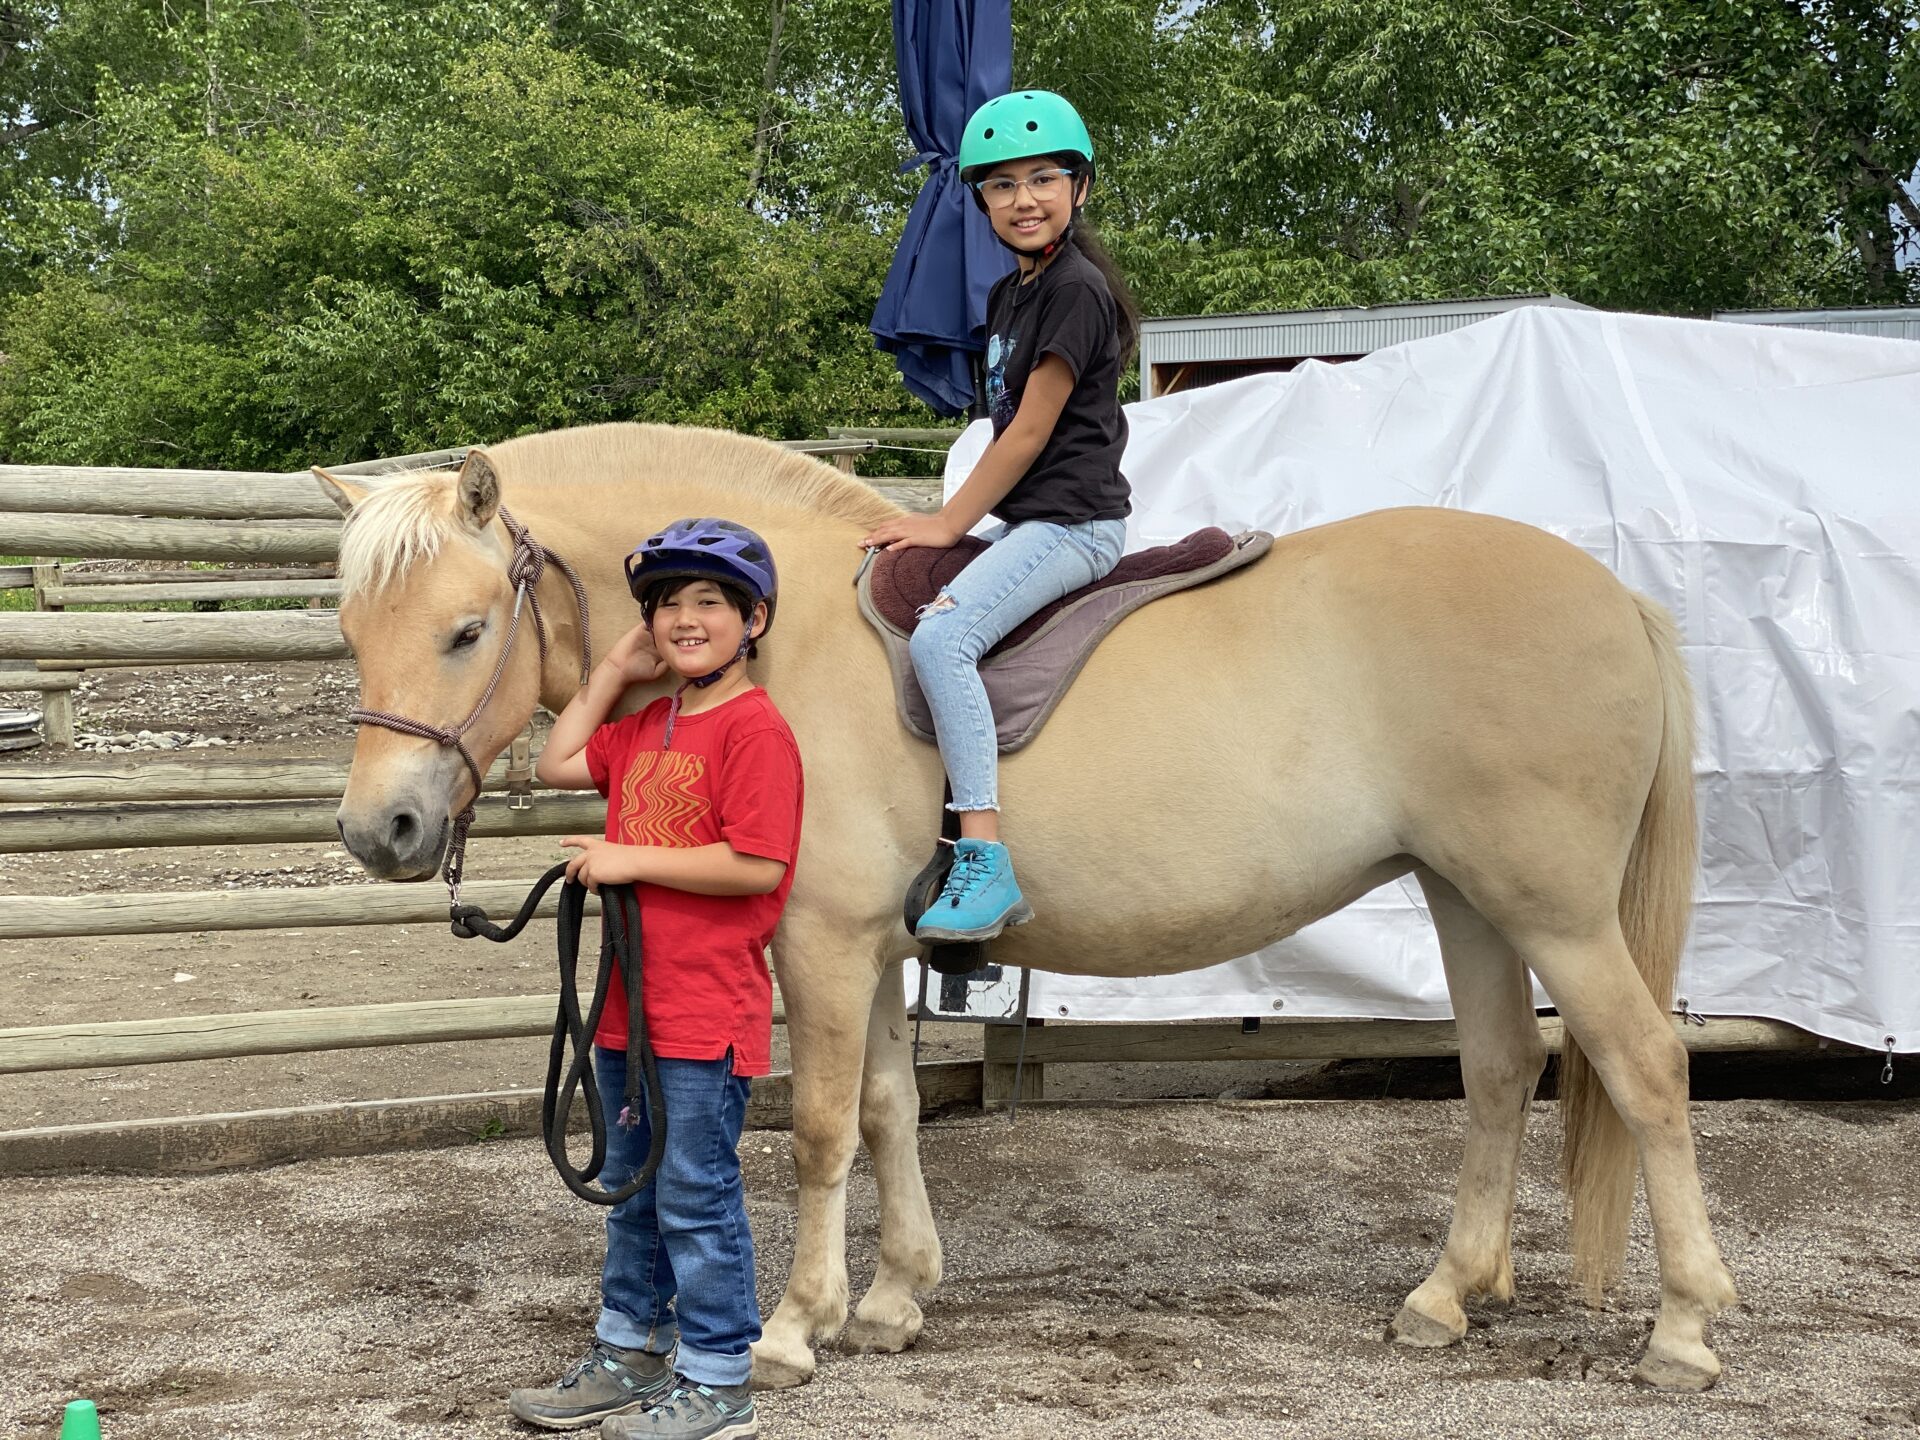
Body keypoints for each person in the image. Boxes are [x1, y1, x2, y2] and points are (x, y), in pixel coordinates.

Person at [511, 517, 801, 1440]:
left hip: (703, 1012)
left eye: (709, 603)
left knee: (695, 1192)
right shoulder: (647, 725)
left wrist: (630, 858)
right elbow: (558, 762)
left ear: (752, 621)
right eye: (668, 605)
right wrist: (608, 676)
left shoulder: (757, 733)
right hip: (627, 1011)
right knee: (632, 1186)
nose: (686, 619)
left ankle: (720, 1378)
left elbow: (758, 865)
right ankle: (630, 1348)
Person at [857, 88, 1138, 943]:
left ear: (1080, 188)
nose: (1024, 198)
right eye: (1002, 184)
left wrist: (945, 523)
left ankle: (982, 856)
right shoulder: (1011, 296)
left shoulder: (1077, 292)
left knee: (945, 636)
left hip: (1073, 525)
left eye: (1044, 178)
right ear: (981, 201)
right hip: (1028, 523)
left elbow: (1023, 437)